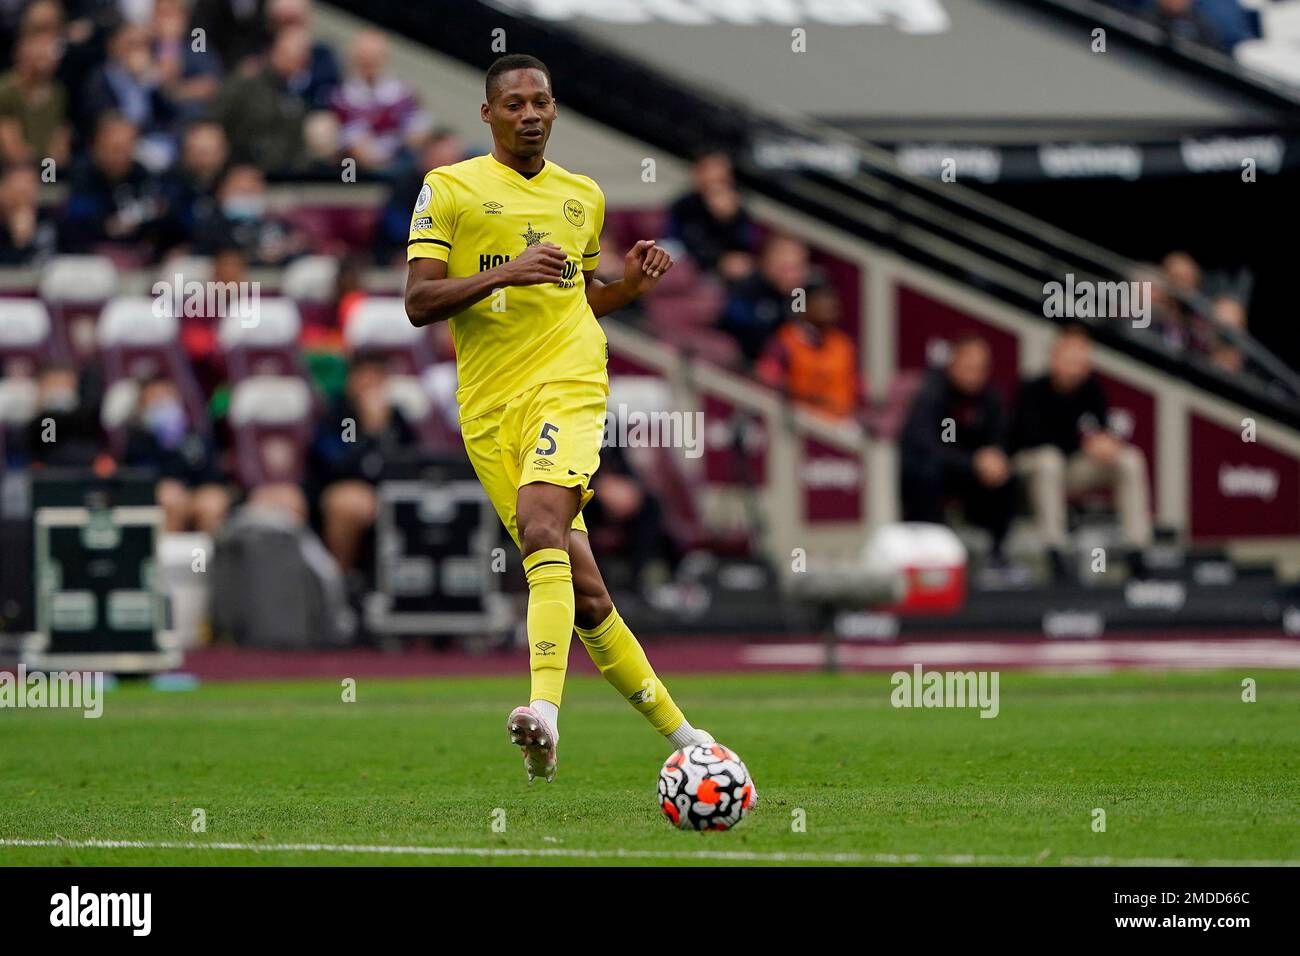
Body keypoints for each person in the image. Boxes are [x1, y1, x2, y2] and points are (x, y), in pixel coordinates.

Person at [404, 54, 714, 783]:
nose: (531, 114)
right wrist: (505, 272)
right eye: (514, 104)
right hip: (488, 408)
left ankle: (543, 709)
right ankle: (688, 737)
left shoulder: (583, 197)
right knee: (585, 588)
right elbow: (419, 303)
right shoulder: (449, 188)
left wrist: (628, 287)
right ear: (488, 115)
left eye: (541, 101)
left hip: (570, 382)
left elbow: (576, 296)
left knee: (543, 524)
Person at [1010, 325, 1152, 580]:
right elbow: (1032, 439)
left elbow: (1102, 432)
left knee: (1129, 460)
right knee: (1048, 460)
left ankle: (1136, 550)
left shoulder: (1092, 390)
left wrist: (1107, 444)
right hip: (1030, 468)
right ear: (1055, 358)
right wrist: (1084, 442)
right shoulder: (1033, 390)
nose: (1078, 366)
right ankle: (1056, 552)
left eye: (1082, 360)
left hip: (1071, 469)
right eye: (1071, 359)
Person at [898, 334, 1017, 563]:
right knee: (927, 473)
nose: (976, 374)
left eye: (981, 368)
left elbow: (1001, 438)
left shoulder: (991, 396)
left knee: (1005, 475)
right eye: (969, 367)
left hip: (970, 473)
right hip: (933, 470)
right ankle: (929, 553)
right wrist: (972, 461)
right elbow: (926, 446)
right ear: (953, 363)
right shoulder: (931, 393)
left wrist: (995, 457)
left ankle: (997, 553)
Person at [306, 350, 417, 574]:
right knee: (351, 503)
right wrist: (371, 433)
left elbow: (411, 460)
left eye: (378, 378)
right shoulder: (336, 414)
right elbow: (335, 464)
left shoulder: (396, 417)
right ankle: (339, 581)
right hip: (333, 492)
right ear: (351, 380)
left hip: (388, 492)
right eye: (364, 377)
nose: (371, 385)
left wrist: (383, 432)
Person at [123, 375, 229, 533]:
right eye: (156, 398)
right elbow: (137, 478)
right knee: (171, 497)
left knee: (213, 501)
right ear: (143, 405)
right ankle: (167, 556)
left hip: (193, 492)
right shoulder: (138, 439)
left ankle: (204, 556)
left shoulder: (194, 437)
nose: (163, 403)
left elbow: (211, 476)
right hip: (163, 496)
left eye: (168, 396)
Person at [755, 274, 859, 420]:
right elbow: (768, 379)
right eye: (822, 299)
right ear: (804, 304)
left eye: (832, 300)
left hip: (840, 426)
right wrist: (803, 395)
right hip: (798, 421)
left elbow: (855, 387)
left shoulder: (843, 344)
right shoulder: (785, 340)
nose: (831, 305)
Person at [330, 30, 429, 174]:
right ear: (354, 59)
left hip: (399, 157)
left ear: (384, 58)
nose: (369, 62)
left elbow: (418, 128)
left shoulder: (404, 92)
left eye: (374, 57)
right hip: (356, 166)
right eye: (363, 57)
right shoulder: (342, 96)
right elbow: (352, 138)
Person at [718, 233, 809, 365]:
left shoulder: (797, 298)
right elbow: (731, 320)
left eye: (797, 268)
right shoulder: (747, 284)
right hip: (729, 354)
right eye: (786, 267)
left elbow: (797, 339)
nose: (792, 275)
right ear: (767, 261)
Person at [667, 150, 756, 282]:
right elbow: (676, 242)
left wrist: (729, 219)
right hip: (695, 265)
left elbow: (746, 244)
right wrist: (719, 260)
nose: (714, 182)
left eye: (721, 178)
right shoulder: (683, 206)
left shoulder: (740, 208)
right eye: (708, 173)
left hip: (732, 267)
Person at [0, 30, 69, 168]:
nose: (45, 63)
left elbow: (59, 135)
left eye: (48, 57)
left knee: (53, 185)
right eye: (39, 56)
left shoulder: (57, 91)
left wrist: (51, 165)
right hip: (11, 169)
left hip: (47, 166)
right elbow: (8, 143)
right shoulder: (6, 90)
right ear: (22, 56)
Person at [0, 161, 57, 265]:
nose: (22, 202)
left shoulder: (45, 222)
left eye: (28, 194)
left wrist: (23, 241)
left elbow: (40, 265)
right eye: (17, 194)